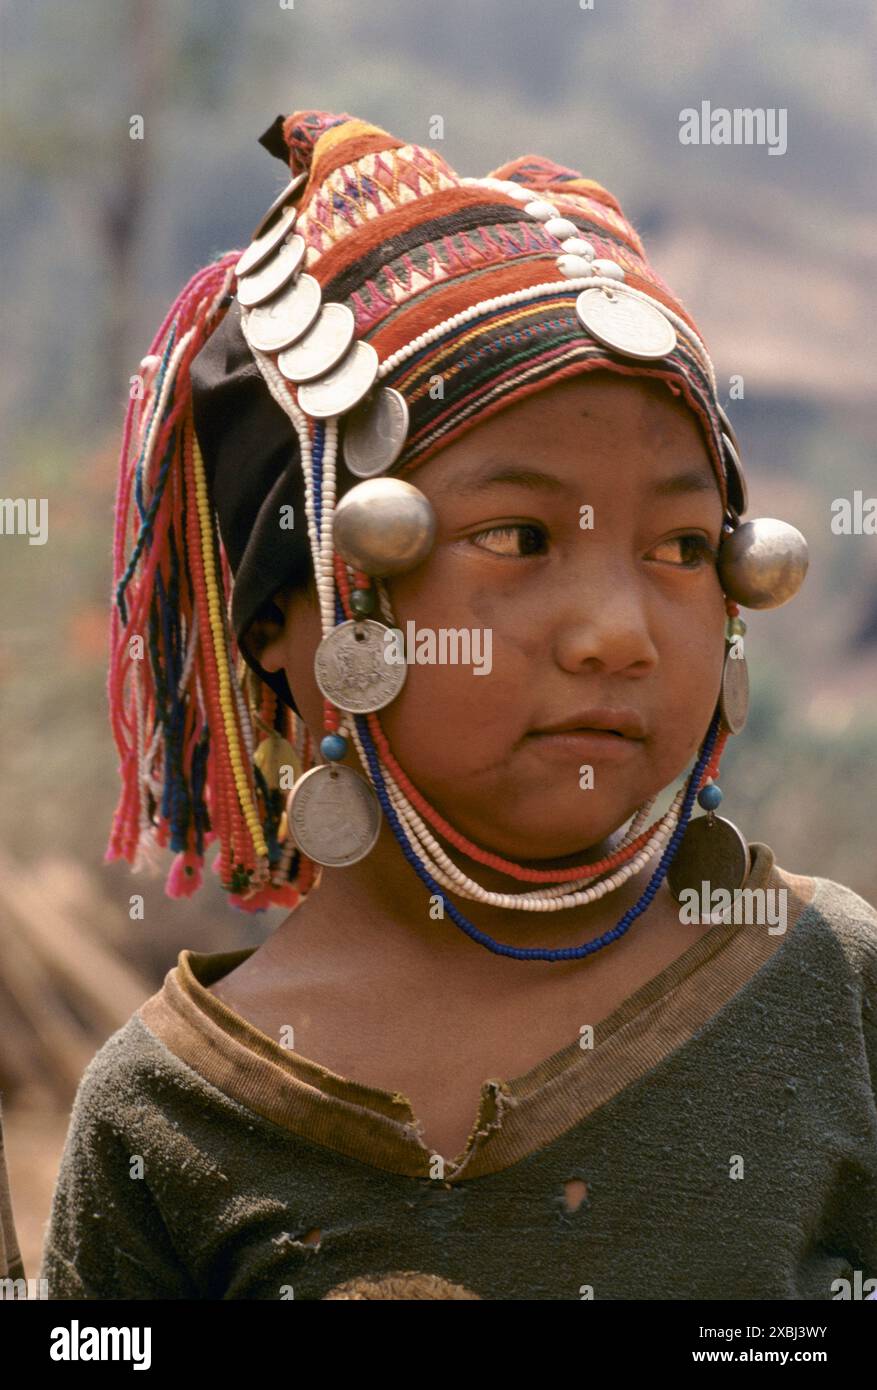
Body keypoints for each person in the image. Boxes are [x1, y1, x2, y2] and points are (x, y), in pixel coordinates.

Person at [40, 108, 876, 1301]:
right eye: (517, 537)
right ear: (291, 614)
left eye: (685, 546)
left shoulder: (828, 988)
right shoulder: (170, 1116)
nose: (618, 633)